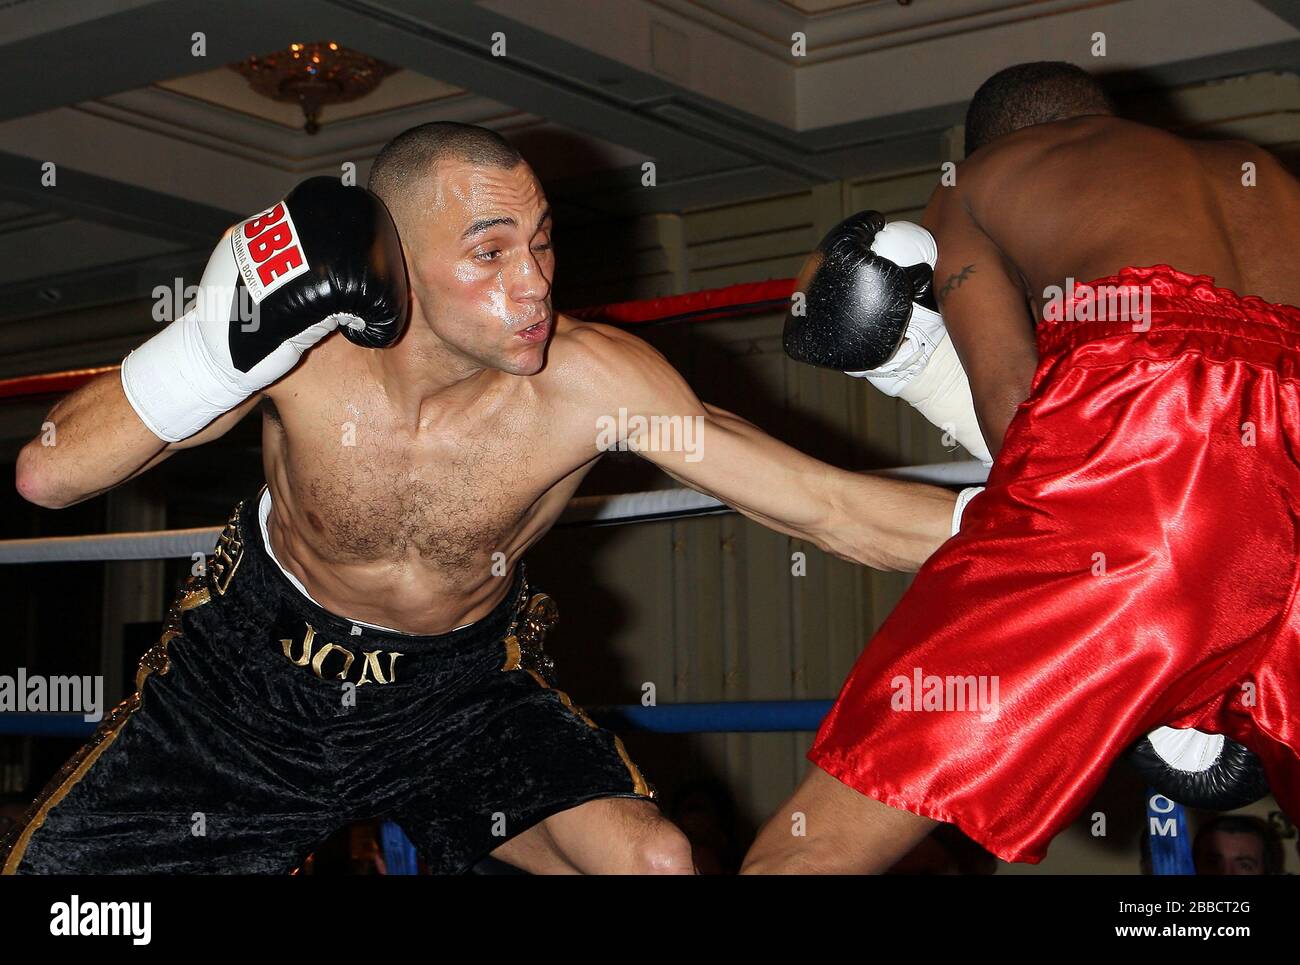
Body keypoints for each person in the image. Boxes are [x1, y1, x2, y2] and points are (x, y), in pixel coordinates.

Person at [1, 122, 958, 875]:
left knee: (656, 859)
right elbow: (48, 473)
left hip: (458, 696)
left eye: (541, 245)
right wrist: (213, 347)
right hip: (246, 685)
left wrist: (1059, 532)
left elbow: (826, 508)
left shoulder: (592, 384)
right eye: (490, 253)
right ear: (396, 262)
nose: (533, 283)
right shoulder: (304, 359)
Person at [743, 61, 1300, 872]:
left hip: (1156, 454)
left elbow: (1014, 412)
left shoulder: (974, 184)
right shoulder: (1267, 175)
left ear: (986, 142)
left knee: (808, 853)